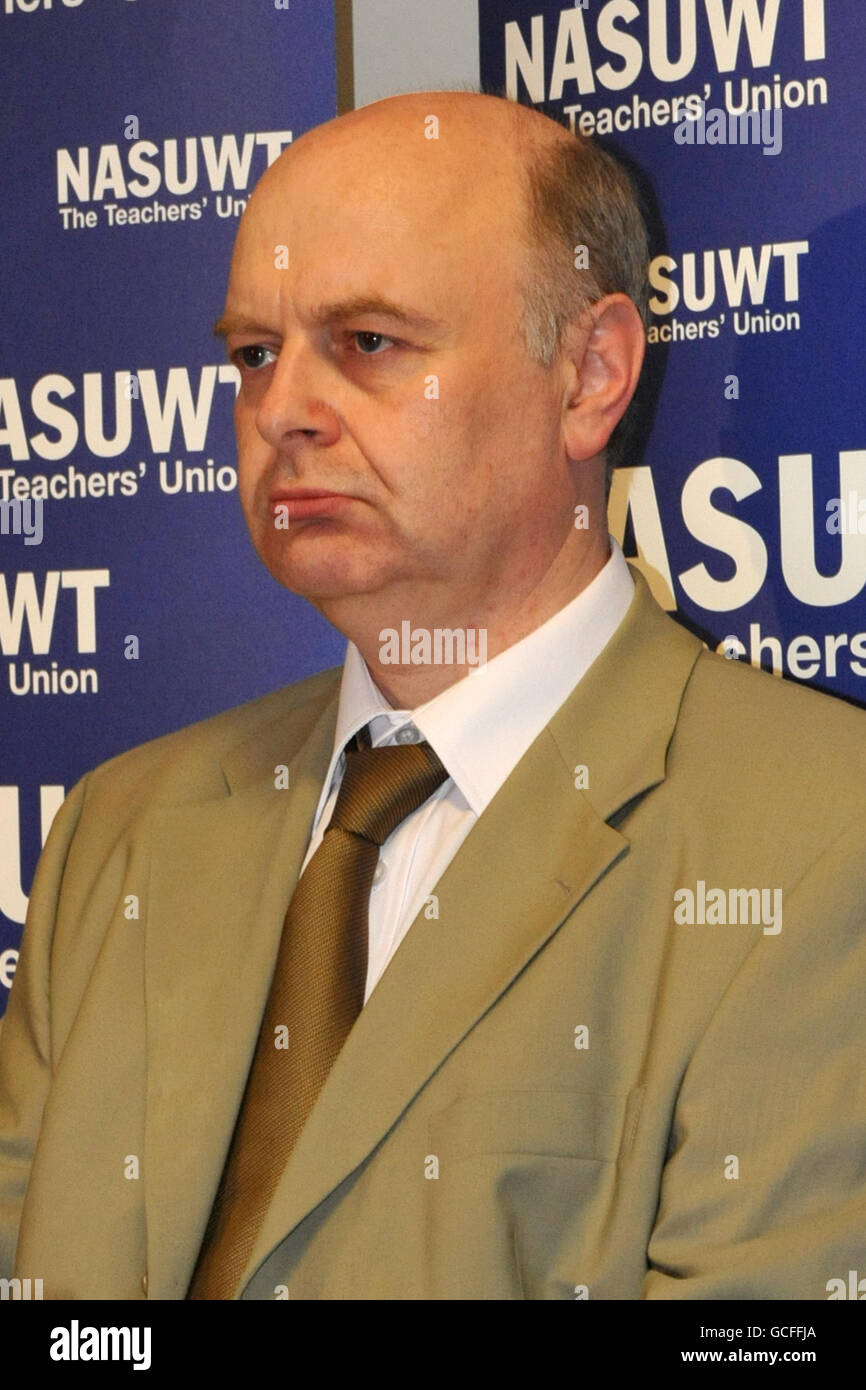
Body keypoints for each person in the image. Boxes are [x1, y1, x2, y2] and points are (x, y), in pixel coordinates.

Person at [1, 90, 865, 1302]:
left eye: (366, 343)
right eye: (254, 353)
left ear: (588, 374)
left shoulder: (824, 841)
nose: (282, 412)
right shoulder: (120, 830)